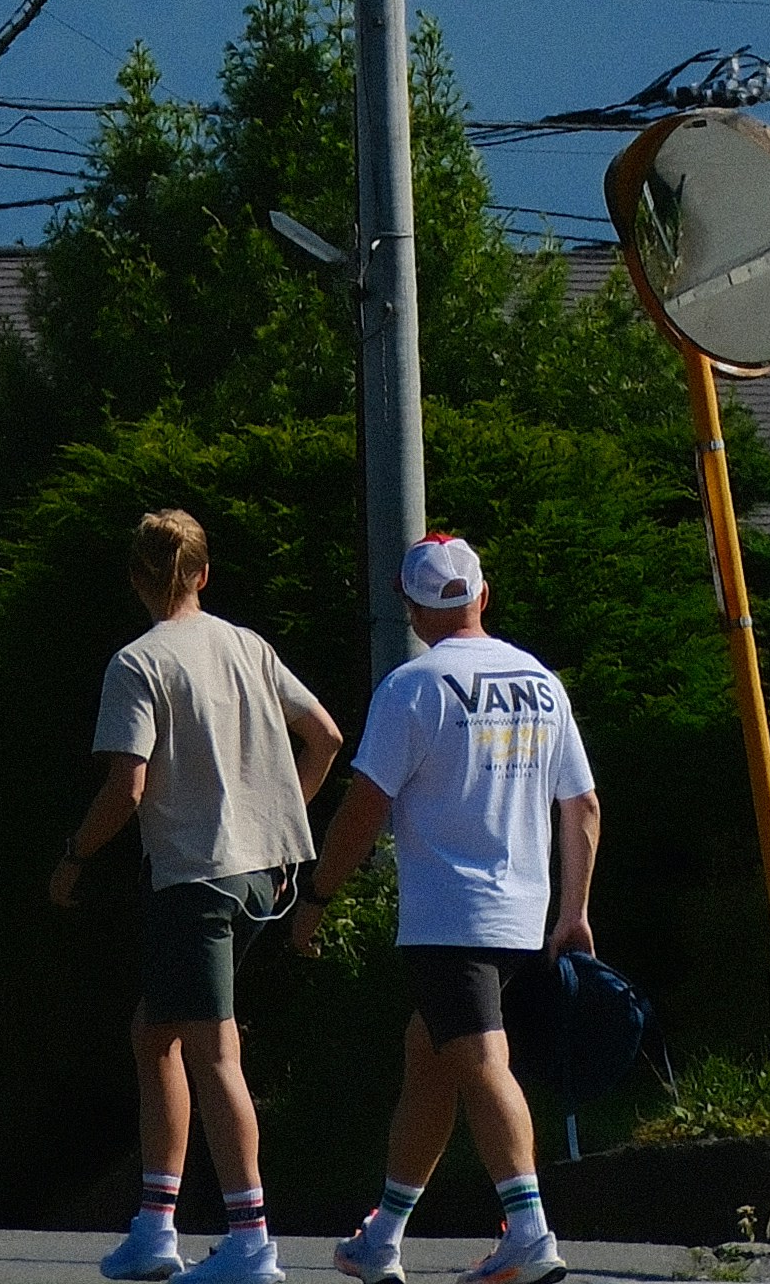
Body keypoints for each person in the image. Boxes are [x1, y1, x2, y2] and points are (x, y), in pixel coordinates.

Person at [296, 527, 600, 1282]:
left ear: (410, 608)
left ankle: (529, 1228)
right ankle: (383, 1238)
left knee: (478, 1058)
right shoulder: (540, 681)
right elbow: (583, 805)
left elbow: (363, 809)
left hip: (446, 913)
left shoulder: (414, 686)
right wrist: (573, 911)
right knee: (428, 1058)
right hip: (523, 913)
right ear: (482, 595)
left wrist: (317, 895)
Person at [50, 503, 343, 1284]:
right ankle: (155, 1223)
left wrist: (75, 856)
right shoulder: (246, 644)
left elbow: (127, 786)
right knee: (156, 1033)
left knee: (213, 1048)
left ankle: (250, 1239)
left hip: (193, 877)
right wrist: (278, 813)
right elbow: (325, 735)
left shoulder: (138, 662)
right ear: (203, 574)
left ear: (137, 578)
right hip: (259, 874)